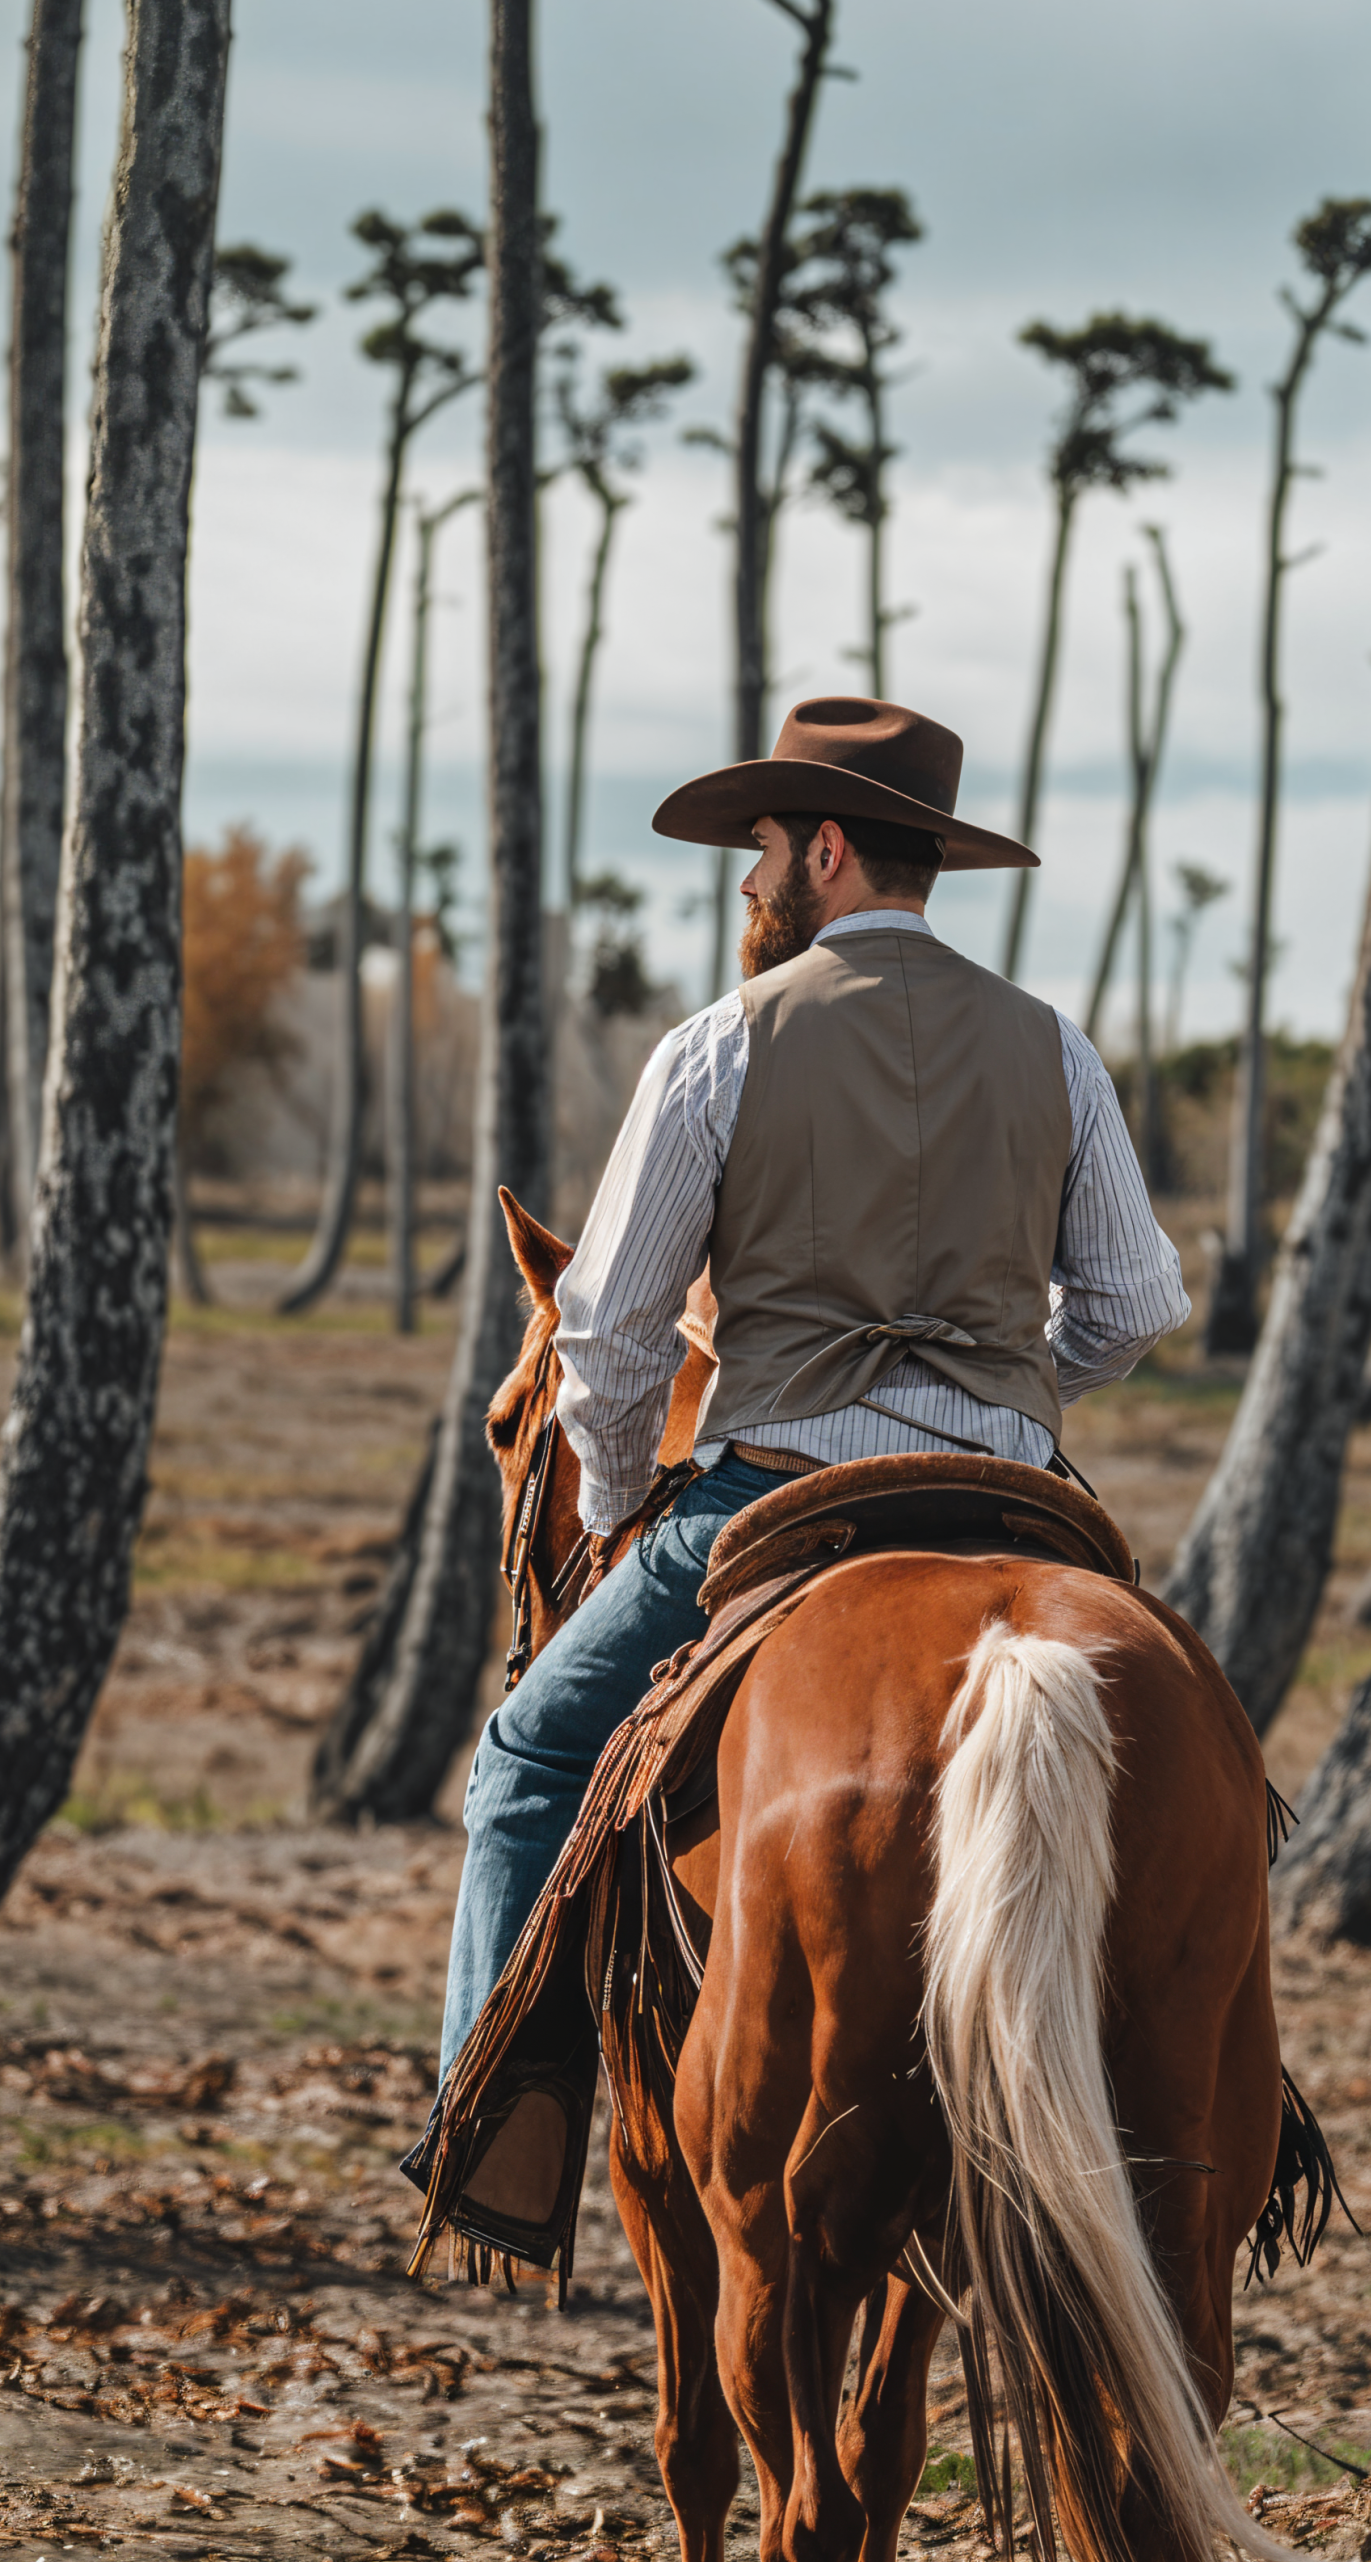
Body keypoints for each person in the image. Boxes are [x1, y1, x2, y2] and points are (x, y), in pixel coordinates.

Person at [435, 694, 1190, 2260]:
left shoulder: (721, 1046)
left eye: (762, 852)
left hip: (774, 1483)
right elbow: (1137, 1303)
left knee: (521, 1762)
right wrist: (998, 1380)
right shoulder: (1054, 1048)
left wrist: (619, 1493)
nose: (746, 886)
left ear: (828, 852)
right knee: (1205, 1786)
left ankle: (489, 2142)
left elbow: (614, 1323)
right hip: (1011, 1492)